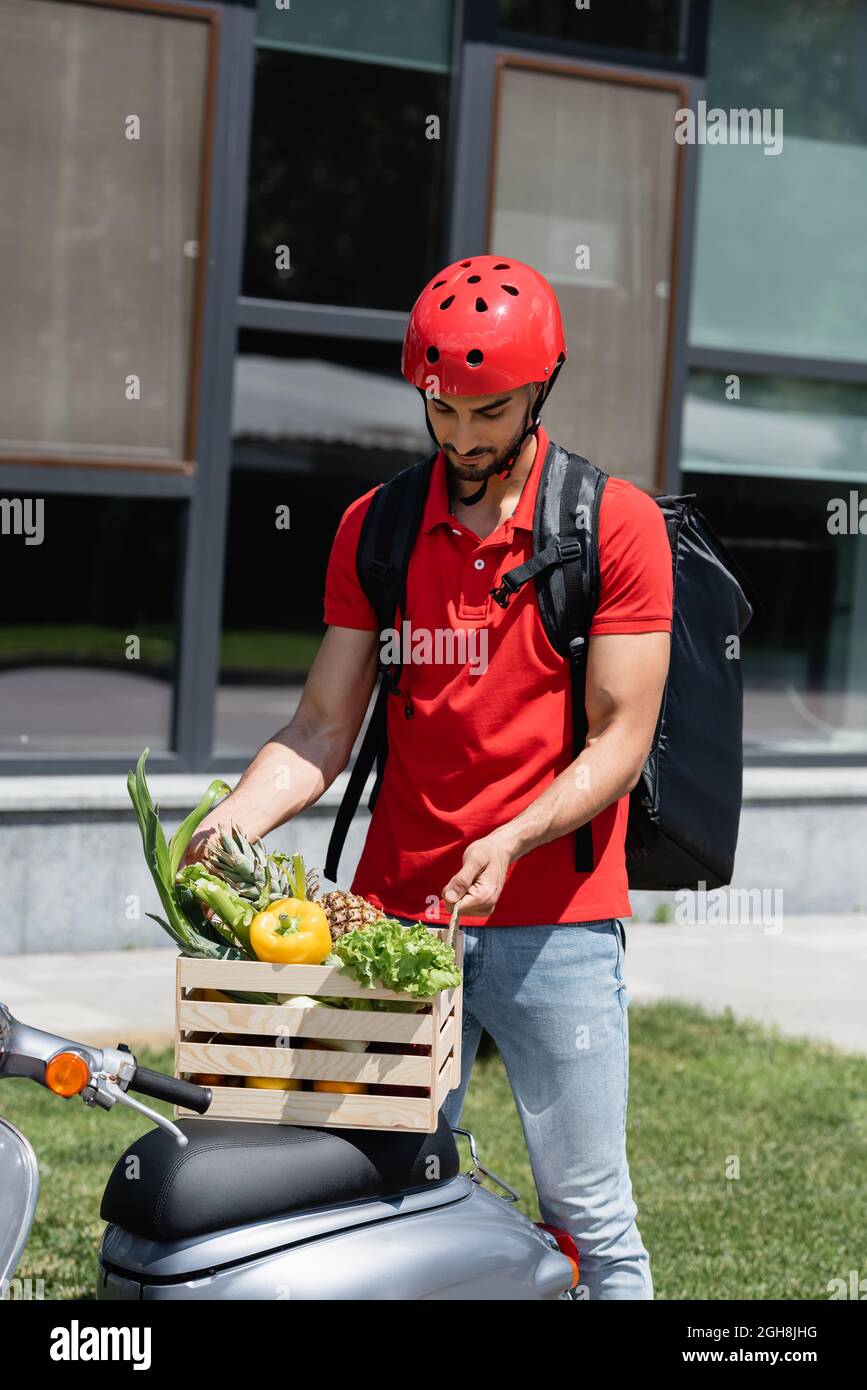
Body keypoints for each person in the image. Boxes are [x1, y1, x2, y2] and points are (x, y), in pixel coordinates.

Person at [189, 255, 672, 1300]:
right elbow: (322, 723)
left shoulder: (611, 524)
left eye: (487, 411)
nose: (460, 437)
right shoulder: (379, 526)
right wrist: (235, 815)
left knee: (587, 1211)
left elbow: (620, 739)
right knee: (375, 1194)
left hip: (559, 924)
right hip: (395, 919)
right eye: (441, 408)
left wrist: (509, 839)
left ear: (540, 388)